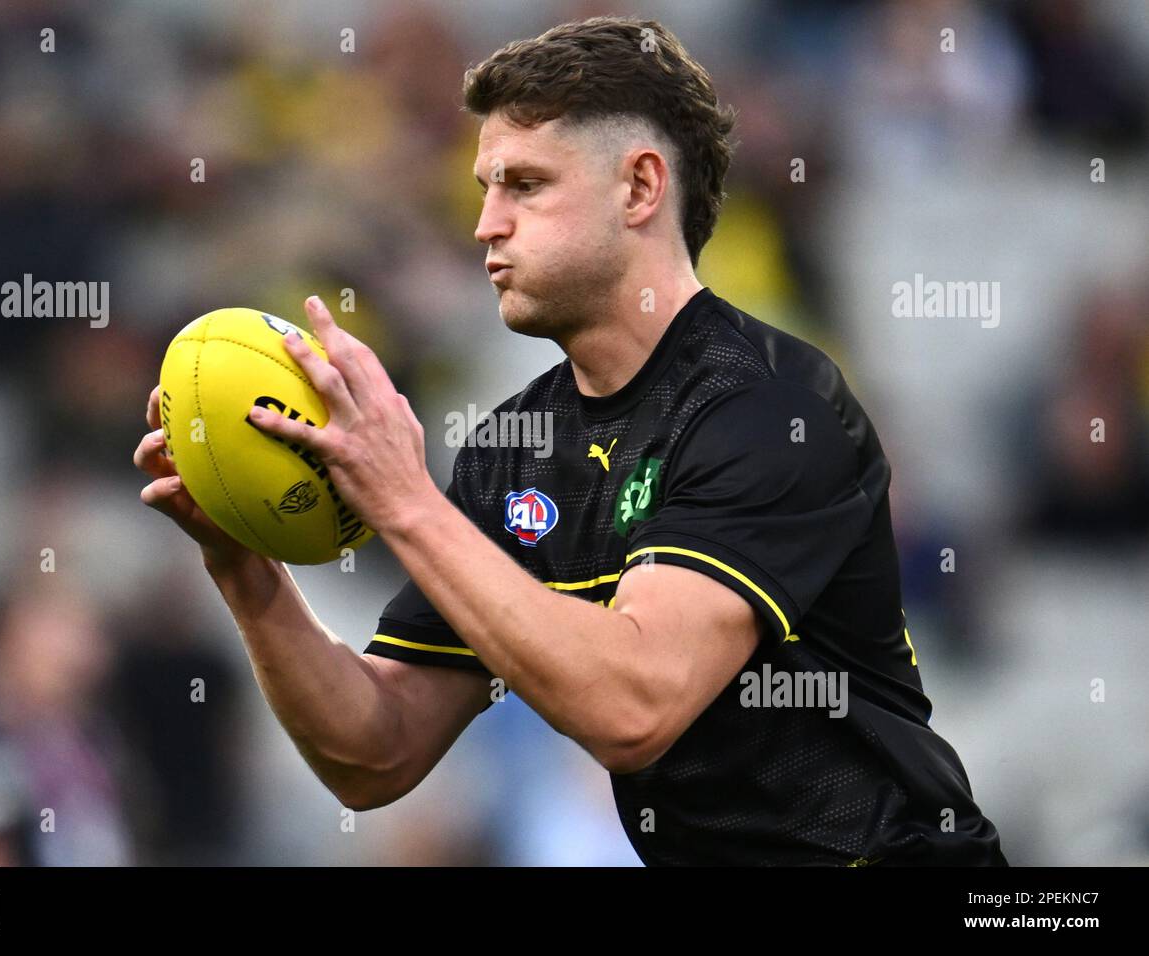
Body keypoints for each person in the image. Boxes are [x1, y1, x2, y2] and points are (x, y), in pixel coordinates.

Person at [134, 16, 1006, 866]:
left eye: (525, 185)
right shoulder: (515, 449)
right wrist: (245, 571)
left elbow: (637, 706)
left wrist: (405, 502)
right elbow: (376, 752)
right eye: (484, 188)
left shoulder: (771, 404)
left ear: (639, 188)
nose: (486, 223)